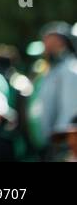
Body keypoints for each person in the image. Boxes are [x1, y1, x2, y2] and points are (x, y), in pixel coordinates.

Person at [31, 20, 77, 159]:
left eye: (51, 42)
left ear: (62, 43)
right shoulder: (50, 71)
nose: (46, 47)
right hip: (48, 143)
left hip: (61, 144)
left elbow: (70, 108)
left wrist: (62, 140)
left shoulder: (70, 69)